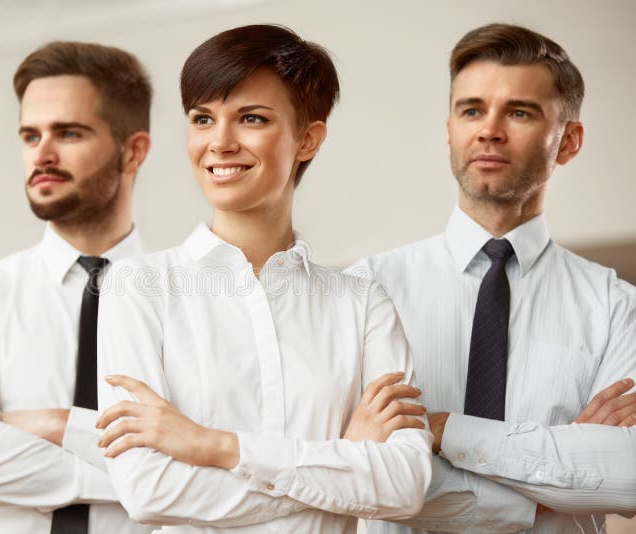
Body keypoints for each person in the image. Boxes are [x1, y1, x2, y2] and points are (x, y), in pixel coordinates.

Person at [62, 24, 432, 532]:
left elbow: (404, 484)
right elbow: (149, 491)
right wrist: (342, 462)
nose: (219, 142)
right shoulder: (138, 286)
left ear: (308, 138)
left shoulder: (362, 304)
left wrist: (214, 446)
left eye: (251, 118)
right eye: (203, 119)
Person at [350, 23, 636, 533]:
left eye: (520, 112)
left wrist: (443, 430)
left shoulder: (617, 307)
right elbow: (360, 474)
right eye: (472, 110)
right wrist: (553, 480)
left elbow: (628, 473)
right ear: (449, 132)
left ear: (568, 141)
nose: (489, 129)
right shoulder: (367, 289)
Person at [0, 41, 154, 533]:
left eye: (68, 132)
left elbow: (221, 458)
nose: (41, 154)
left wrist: (53, 424)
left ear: (132, 151)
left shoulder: (189, 301)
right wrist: (145, 478)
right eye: (29, 135)